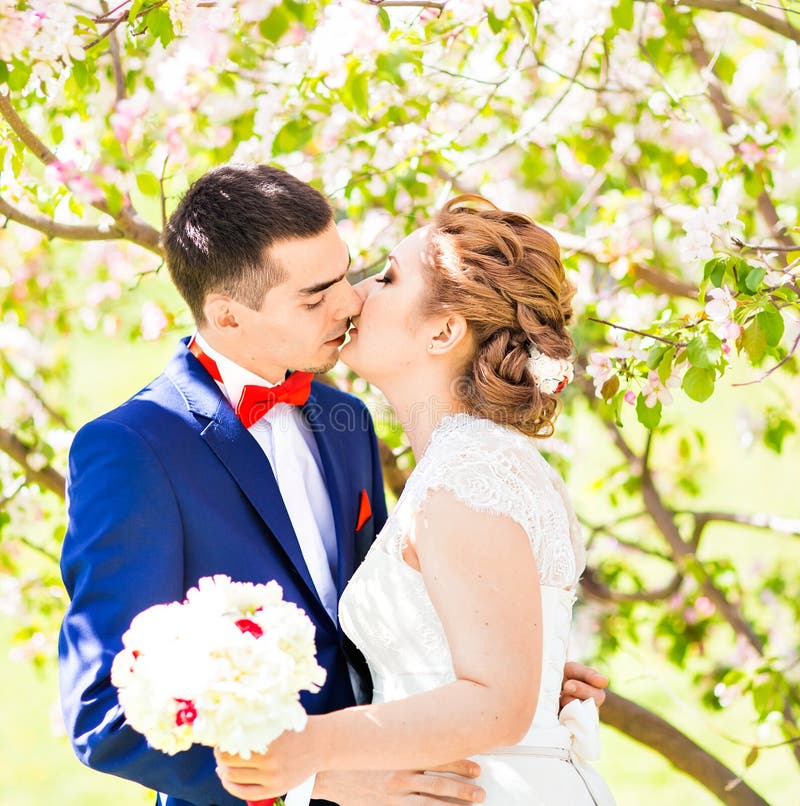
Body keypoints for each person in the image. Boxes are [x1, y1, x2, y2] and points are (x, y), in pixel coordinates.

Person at [58, 165, 608, 806]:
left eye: (350, 273)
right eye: (315, 297)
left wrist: (513, 670)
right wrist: (310, 780)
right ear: (228, 318)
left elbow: (391, 623)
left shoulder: (347, 425)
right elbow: (106, 709)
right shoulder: (134, 448)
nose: (350, 303)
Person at [215, 195, 616, 805]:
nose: (355, 295)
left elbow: (498, 704)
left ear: (444, 330)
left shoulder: (470, 474)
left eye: (388, 278)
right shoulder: (464, 465)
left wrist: (310, 745)